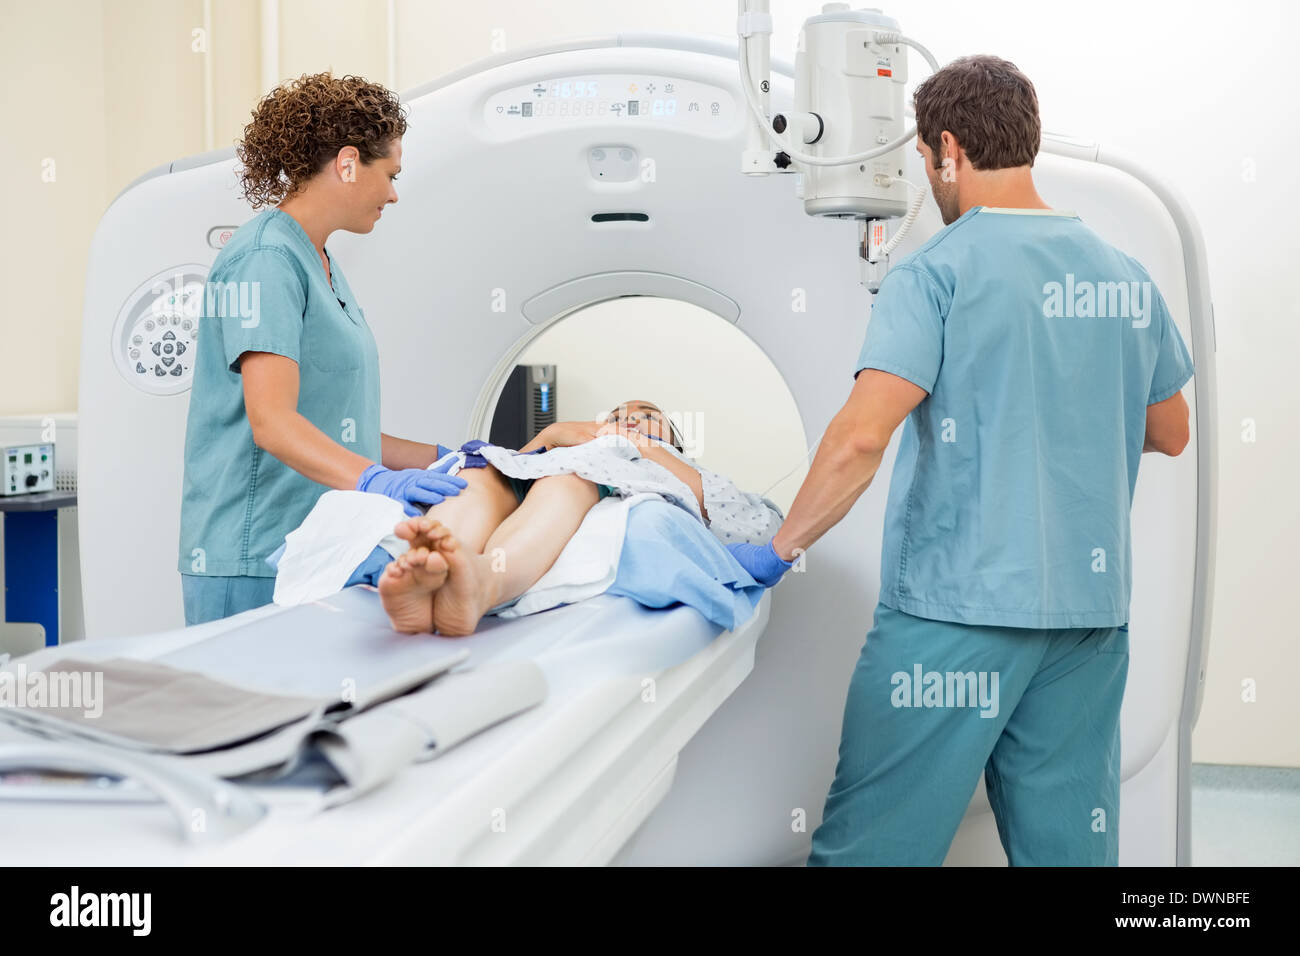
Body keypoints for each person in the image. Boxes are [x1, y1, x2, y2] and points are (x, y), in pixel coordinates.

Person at [726, 55, 1194, 865]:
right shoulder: (1124, 276)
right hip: (1086, 621)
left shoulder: (935, 275)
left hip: (955, 619)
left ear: (947, 149)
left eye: (923, 164)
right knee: (1068, 853)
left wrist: (775, 550)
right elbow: (1171, 428)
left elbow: (862, 436)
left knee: (877, 848)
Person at [178, 72, 467, 626]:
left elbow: (338, 428)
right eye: (390, 175)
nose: (393, 193)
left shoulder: (321, 262)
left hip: (311, 544)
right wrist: (377, 481)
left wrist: (446, 457)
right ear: (349, 162)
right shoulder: (266, 259)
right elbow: (273, 423)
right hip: (251, 553)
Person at [377, 400, 782, 636]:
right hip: (534, 469)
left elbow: (750, 525)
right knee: (481, 473)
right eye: (618, 414)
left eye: (647, 415)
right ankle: (433, 573)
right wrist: (553, 434)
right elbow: (520, 463)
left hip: (577, 476)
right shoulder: (570, 440)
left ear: (675, 443)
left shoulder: (674, 464)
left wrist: (630, 442)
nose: (630, 418)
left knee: (570, 477)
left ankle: (482, 583)